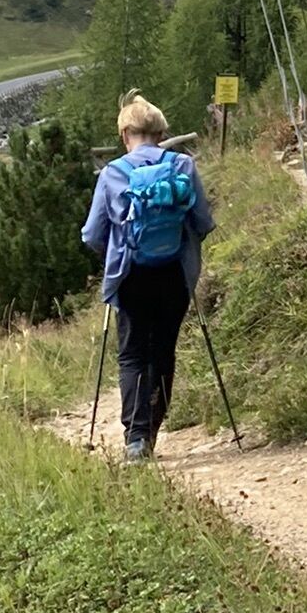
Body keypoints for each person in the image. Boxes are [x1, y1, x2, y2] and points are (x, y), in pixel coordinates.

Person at [81, 92, 215, 460]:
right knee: (162, 350)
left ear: (126, 133)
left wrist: (114, 250)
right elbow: (203, 221)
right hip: (175, 274)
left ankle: (135, 439)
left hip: (130, 275)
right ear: (159, 131)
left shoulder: (112, 174)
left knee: (132, 354)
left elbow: (92, 234)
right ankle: (152, 430)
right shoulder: (183, 167)